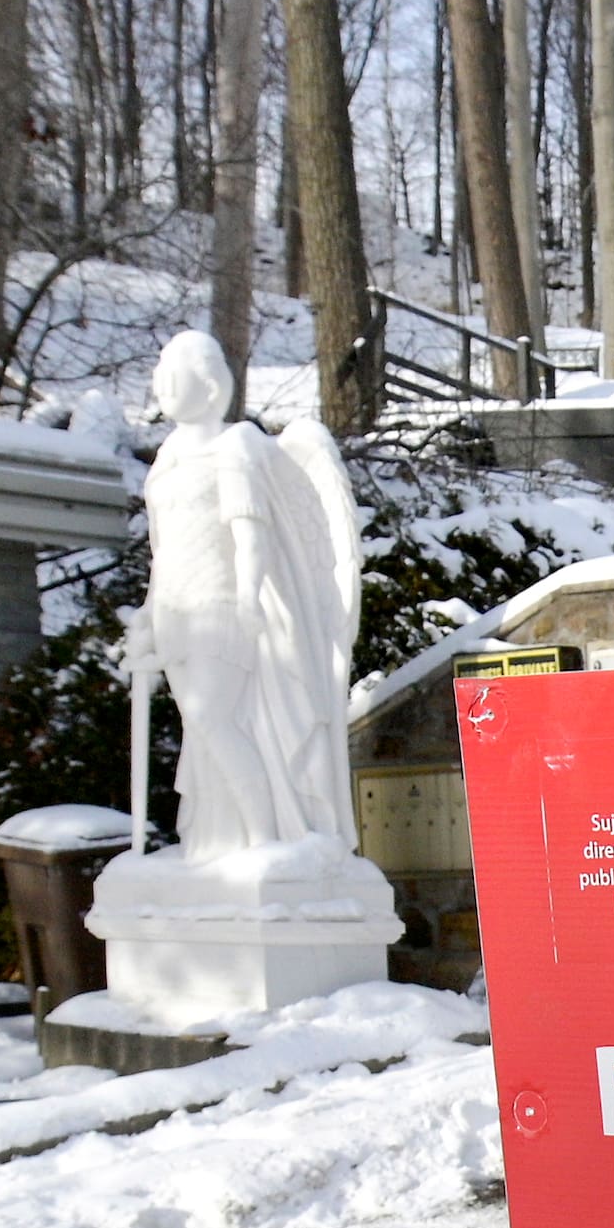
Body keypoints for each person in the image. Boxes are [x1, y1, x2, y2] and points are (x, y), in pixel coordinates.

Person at [131, 327, 366, 858]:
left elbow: (250, 533)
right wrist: (147, 614)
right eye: (160, 372)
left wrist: (248, 597)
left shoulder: (234, 447)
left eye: (176, 372)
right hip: (176, 610)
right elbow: (163, 552)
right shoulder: (166, 461)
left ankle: (265, 837)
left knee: (214, 720)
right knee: (199, 728)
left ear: (211, 385)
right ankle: (219, 840)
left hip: (220, 607)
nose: (163, 383)